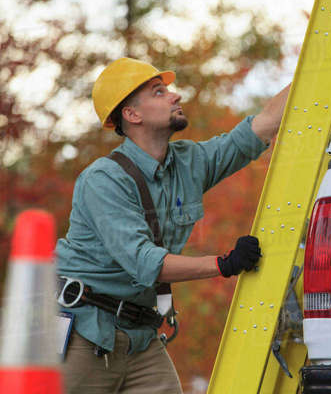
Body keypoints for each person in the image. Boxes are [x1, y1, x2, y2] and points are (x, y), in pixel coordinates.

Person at [55, 57, 289, 393]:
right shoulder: (102, 180)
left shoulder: (188, 163)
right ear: (132, 115)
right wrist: (224, 264)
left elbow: (262, 126)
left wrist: (328, 64)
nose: (175, 96)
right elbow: (144, 262)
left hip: (140, 337)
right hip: (85, 334)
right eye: (159, 92)